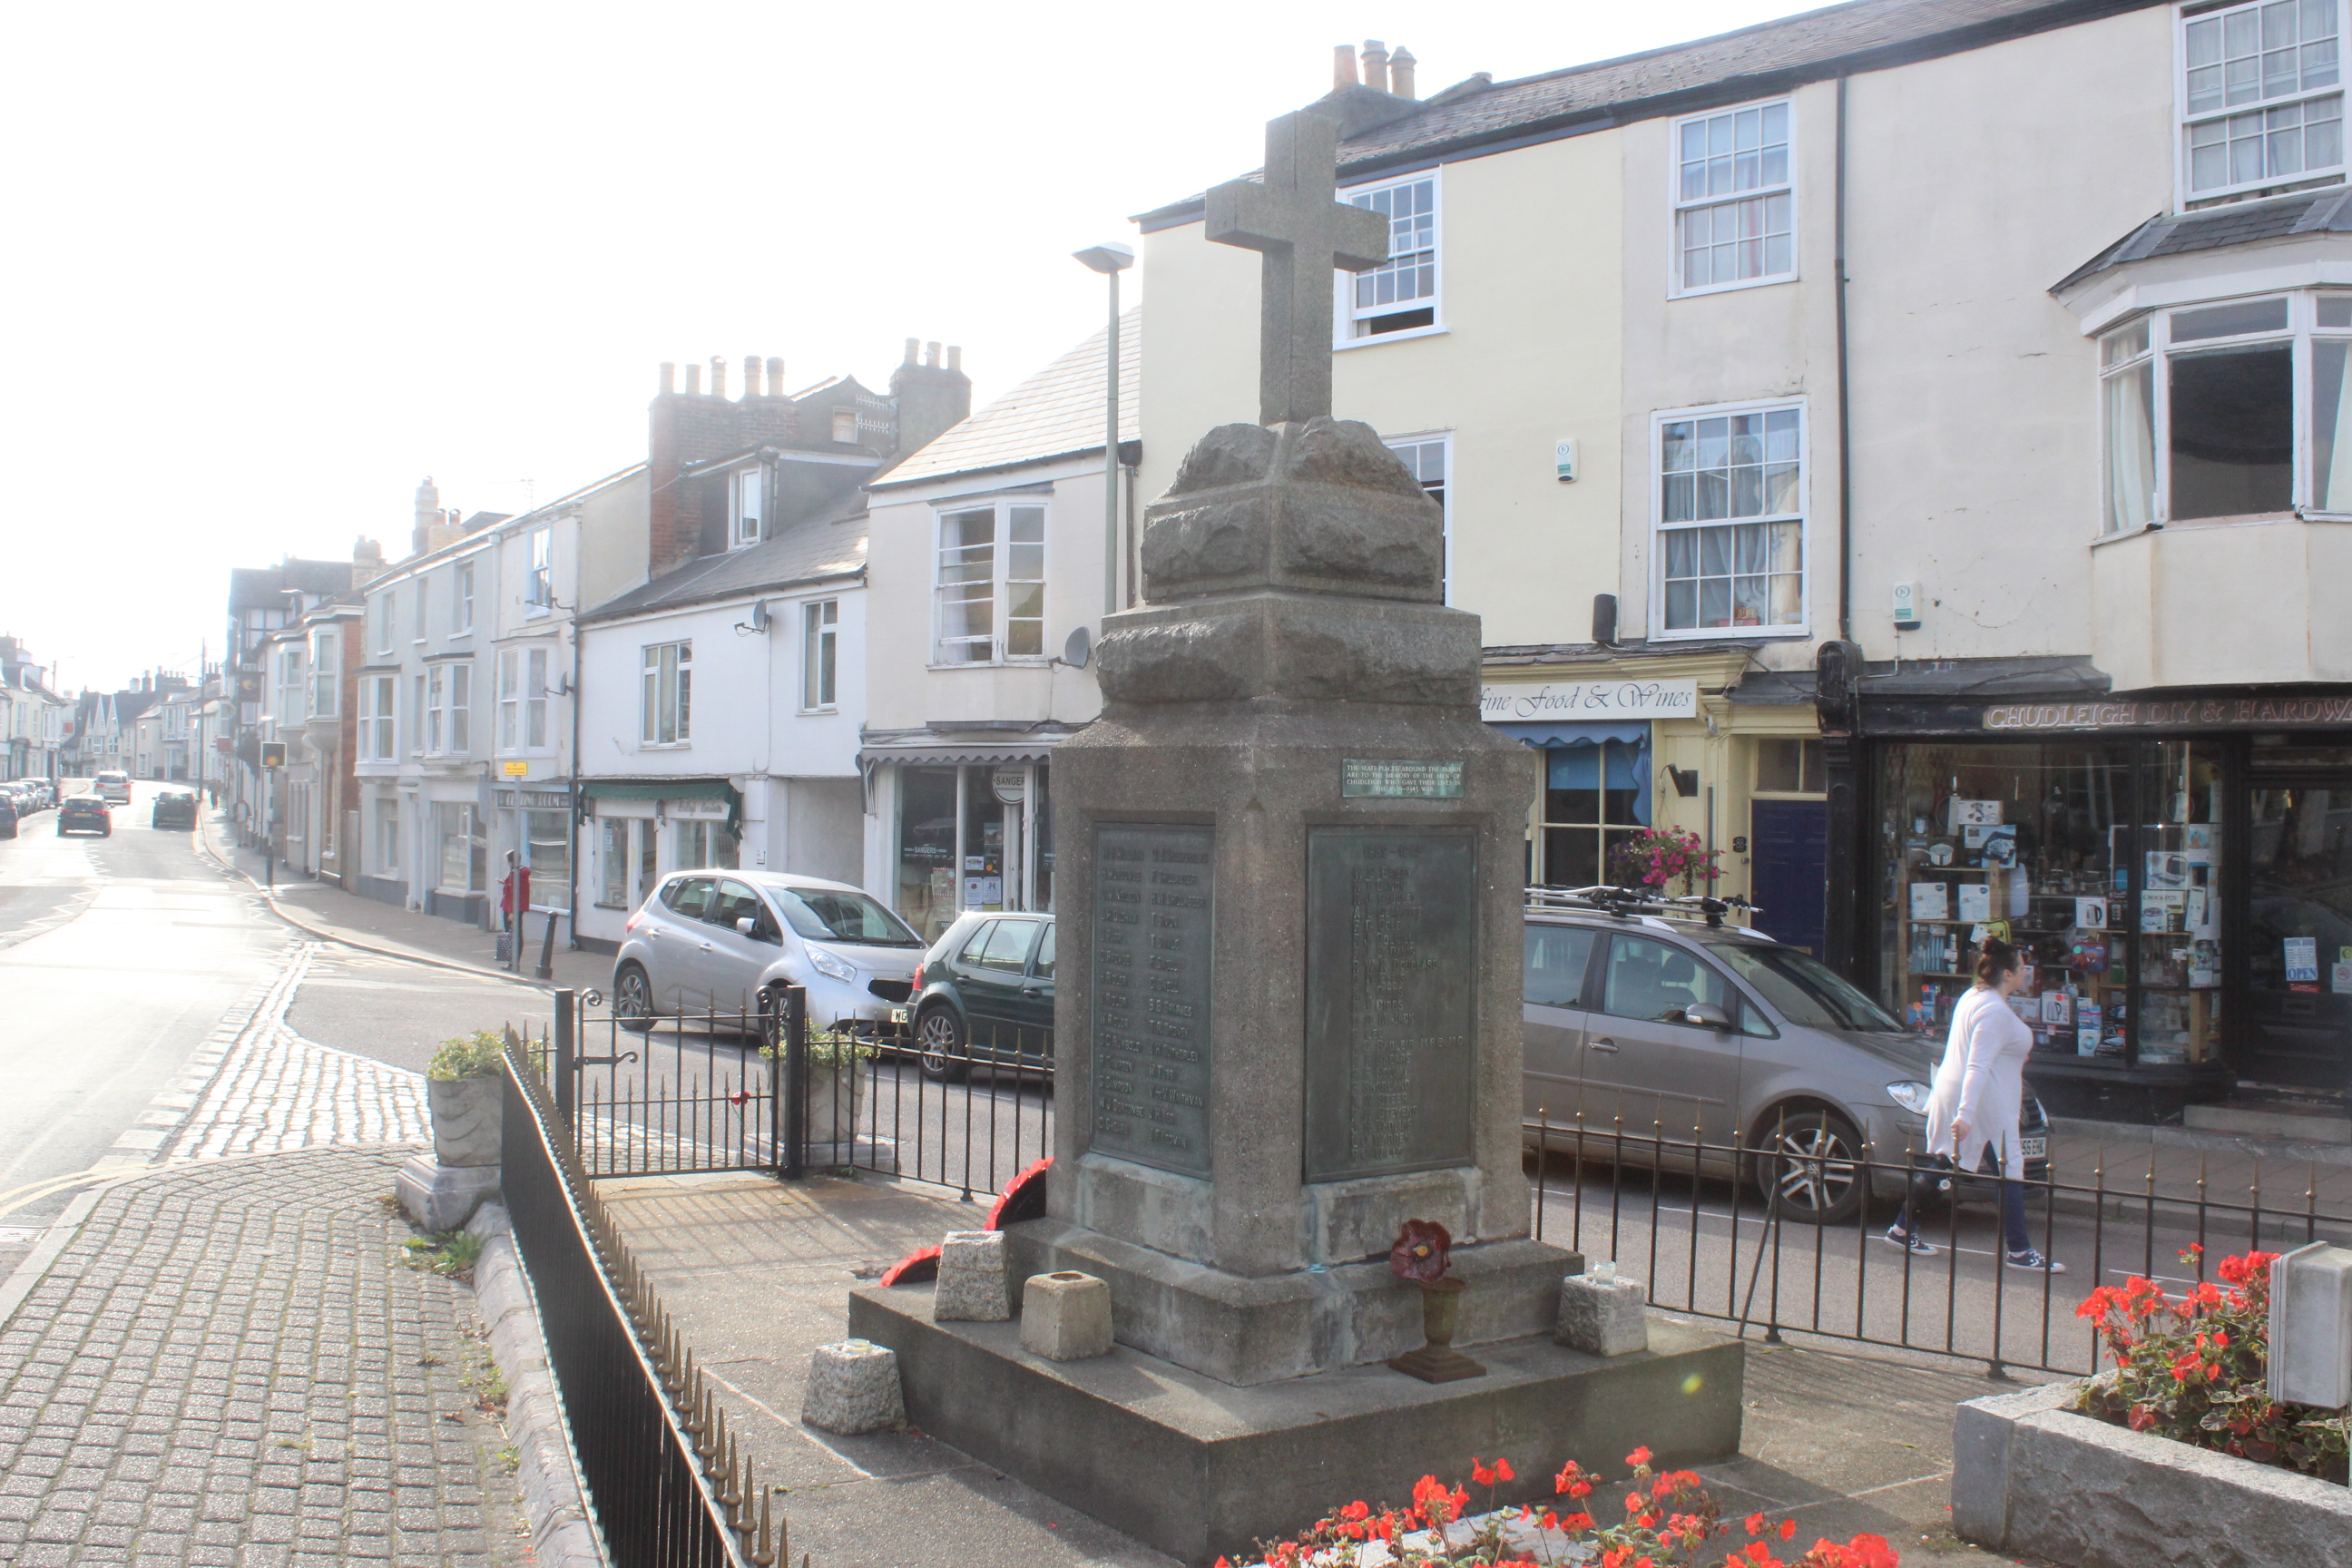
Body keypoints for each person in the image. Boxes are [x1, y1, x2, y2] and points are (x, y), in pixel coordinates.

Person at [1885, 937, 2064, 1272]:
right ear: (2007, 973)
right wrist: (1966, 1114)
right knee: (2009, 1169)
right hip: (1985, 1100)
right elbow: (1978, 1065)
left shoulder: (1974, 996)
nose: (2026, 973)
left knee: (1946, 1159)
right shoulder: (1994, 1011)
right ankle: (2020, 1251)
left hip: (1959, 1089)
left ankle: (1902, 1229)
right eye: (2022, 968)